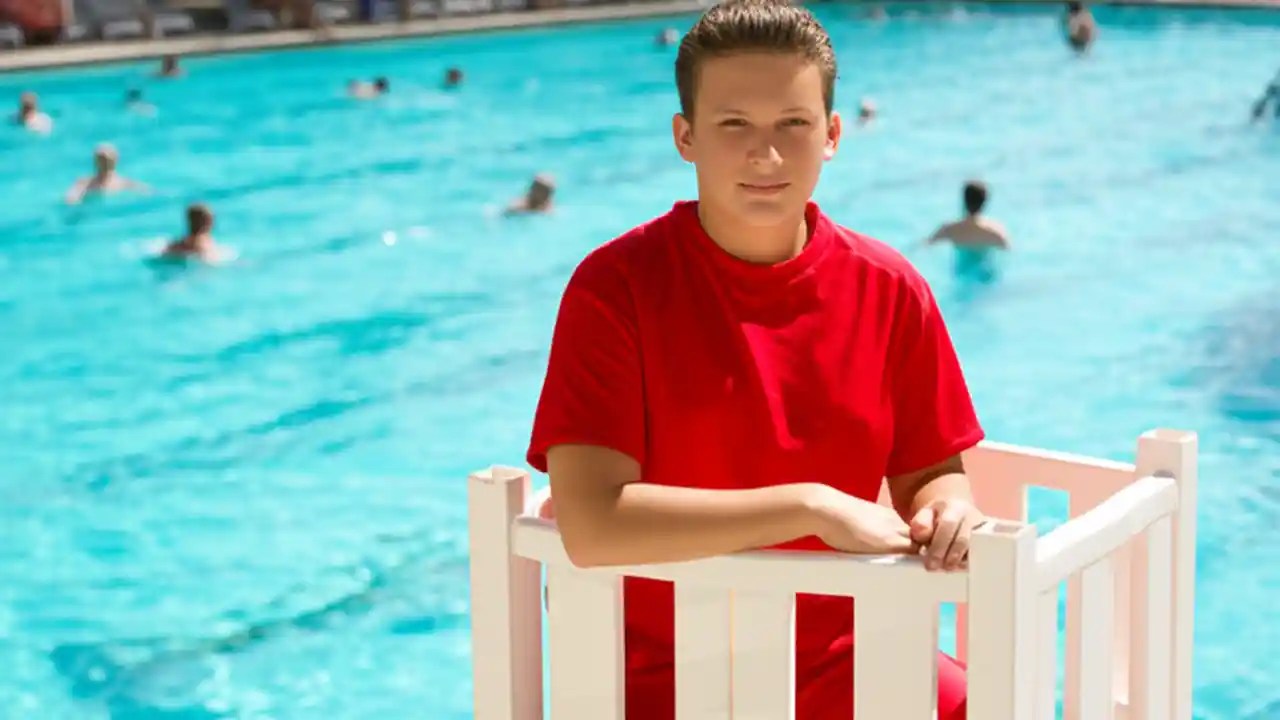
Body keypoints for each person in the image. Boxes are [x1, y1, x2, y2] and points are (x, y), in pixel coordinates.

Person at [525, 1, 983, 718]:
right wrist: (809, 505)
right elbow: (591, 521)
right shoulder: (614, 288)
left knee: (994, 698)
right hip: (667, 676)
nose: (764, 157)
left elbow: (930, 470)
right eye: (734, 126)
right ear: (686, 137)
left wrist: (947, 510)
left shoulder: (891, 287)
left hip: (851, 653)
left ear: (832, 135)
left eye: (792, 127)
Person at [65, 144, 149, 204]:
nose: (104, 163)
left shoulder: (124, 183)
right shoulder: (84, 183)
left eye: (107, 160)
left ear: (116, 160)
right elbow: (71, 198)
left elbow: (147, 192)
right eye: (102, 160)